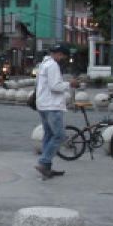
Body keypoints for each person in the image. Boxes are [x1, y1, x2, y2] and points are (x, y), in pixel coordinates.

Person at [34, 43, 78, 179]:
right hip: (52, 105)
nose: (63, 59)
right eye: (63, 56)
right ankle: (44, 162)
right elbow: (55, 86)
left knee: (48, 134)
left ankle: (46, 167)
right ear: (59, 54)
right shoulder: (52, 65)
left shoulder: (44, 64)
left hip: (43, 104)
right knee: (59, 135)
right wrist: (70, 84)